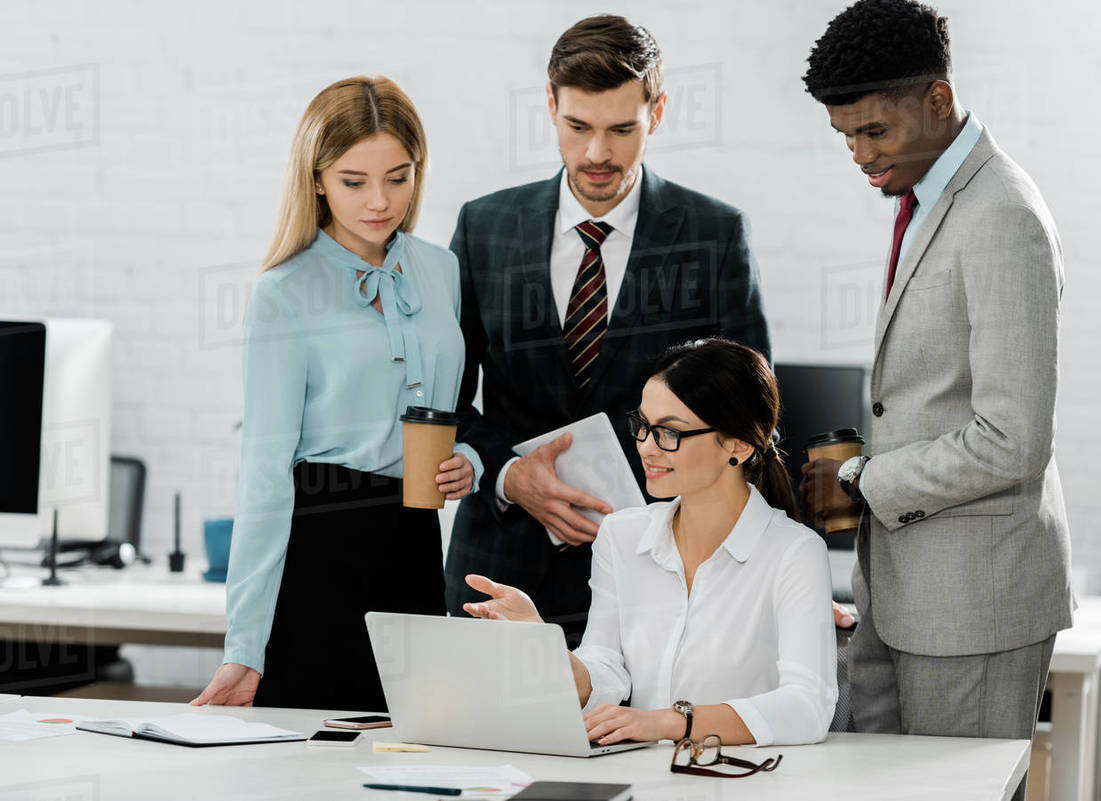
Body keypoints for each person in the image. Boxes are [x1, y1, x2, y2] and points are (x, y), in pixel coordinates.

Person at [798, 1, 1072, 794]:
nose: (858, 155)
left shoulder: (1003, 216)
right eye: (844, 136)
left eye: (873, 132)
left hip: (973, 603)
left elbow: (1013, 436)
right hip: (905, 586)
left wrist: (866, 481)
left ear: (938, 100)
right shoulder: (930, 198)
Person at [445, 15, 771, 647]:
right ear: (550, 105)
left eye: (622, 129)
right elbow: (442, 405)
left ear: (659, 111)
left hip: (662, 581)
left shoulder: (714, 235)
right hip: (499, 570)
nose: (597, 153)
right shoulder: (483, 227)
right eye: (578, 127)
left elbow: (753, 417)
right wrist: (509, 476)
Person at [191, 76, 482, 712]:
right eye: (354, 181)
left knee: (410, 752)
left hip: (413, 542)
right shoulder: (282, 293)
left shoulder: (442, 270)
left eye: (398, 177)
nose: (380, 200)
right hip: (319, 547)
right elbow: (264, 474)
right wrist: (244, 645)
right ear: (317, 178)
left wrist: (473, 461)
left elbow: (462, 411)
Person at [462, 339, 837, 747]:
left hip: (742, 781)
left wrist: (668, 722)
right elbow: (605, 666)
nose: (645, 446)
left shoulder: (794, 552)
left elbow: (807, 706)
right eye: (642, 426)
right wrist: (544, 647)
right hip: (645, 776)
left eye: (669, 432)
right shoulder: (621, 535)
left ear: (738, 444)